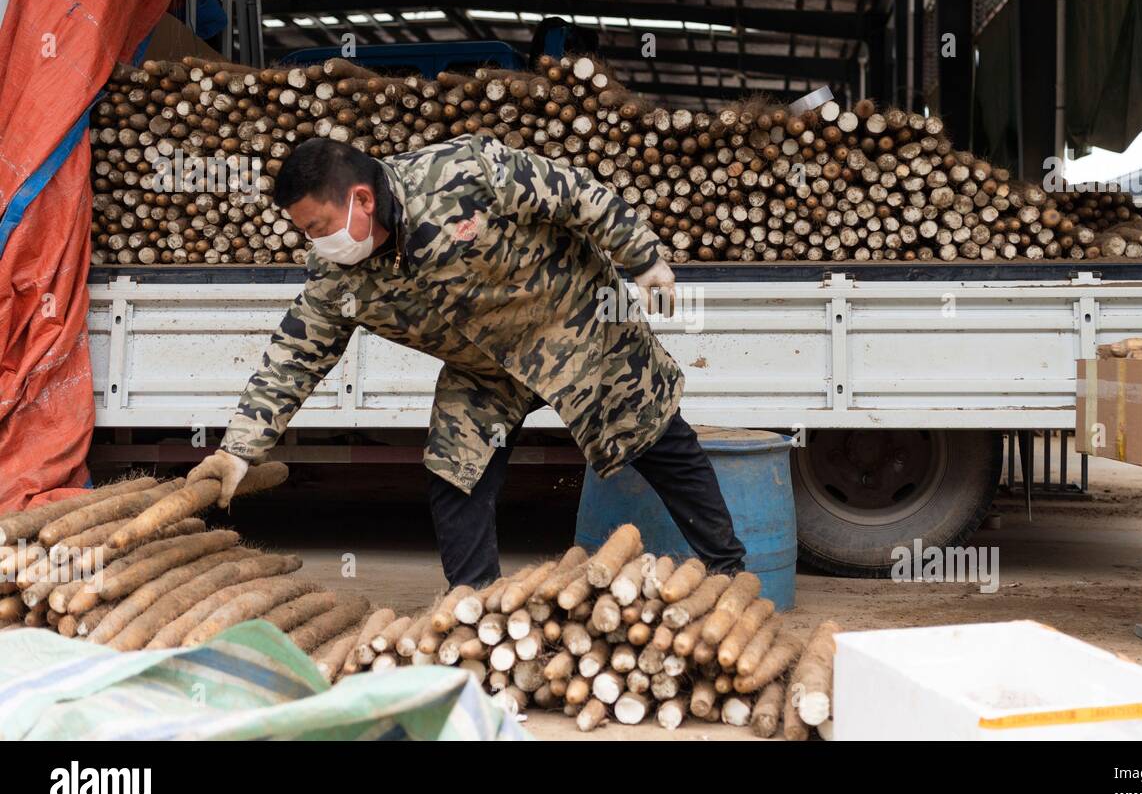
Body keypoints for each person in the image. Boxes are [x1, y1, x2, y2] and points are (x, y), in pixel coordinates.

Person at [188, 135, 747, 587]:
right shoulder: (337, 277)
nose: (315, 242)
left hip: (576, 328)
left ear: (360, 199)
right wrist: (239, 450)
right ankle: (473, 603)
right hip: (484, 370)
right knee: (456, 473)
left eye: (317, 227)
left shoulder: (463, 172)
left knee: (657, 437)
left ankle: (729, 570)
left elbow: (572, 193)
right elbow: (293, 357)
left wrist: (643, 258)